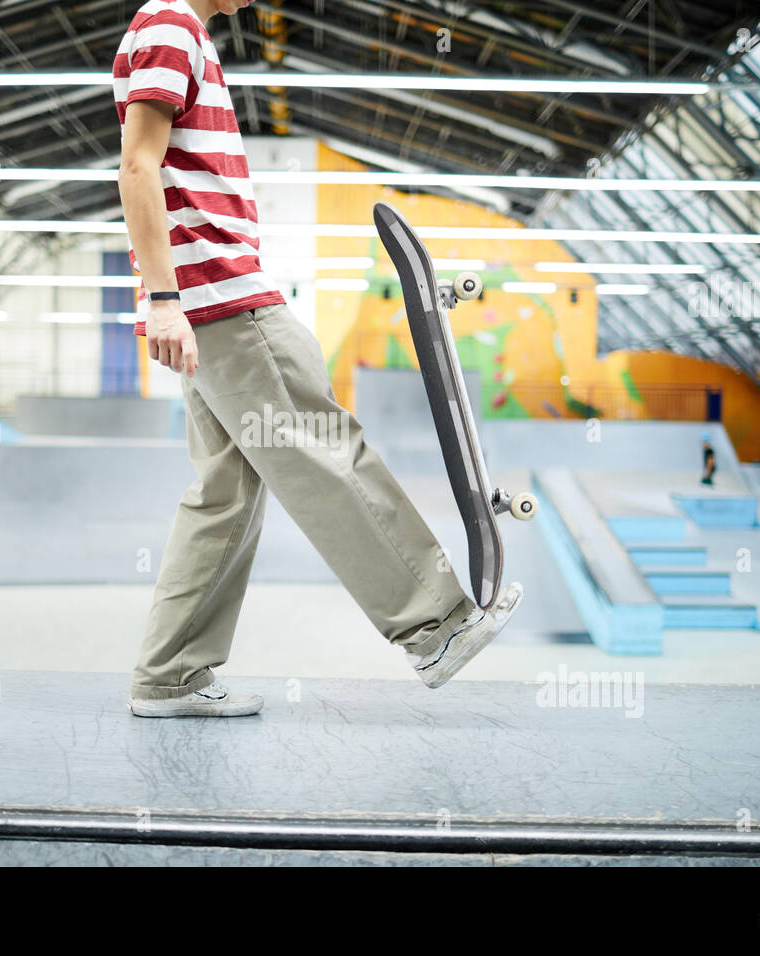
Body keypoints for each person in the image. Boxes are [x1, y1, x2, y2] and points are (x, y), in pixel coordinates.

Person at [113, 0, 521, 717]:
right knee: (325, 450)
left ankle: (170, 674)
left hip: (209, 303)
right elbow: (138, 165)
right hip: (227, 303)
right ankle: (436, 626)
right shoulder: (171, 23)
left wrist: (173, 296)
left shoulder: (181, 32)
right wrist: (165, 297)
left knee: (225, 495)